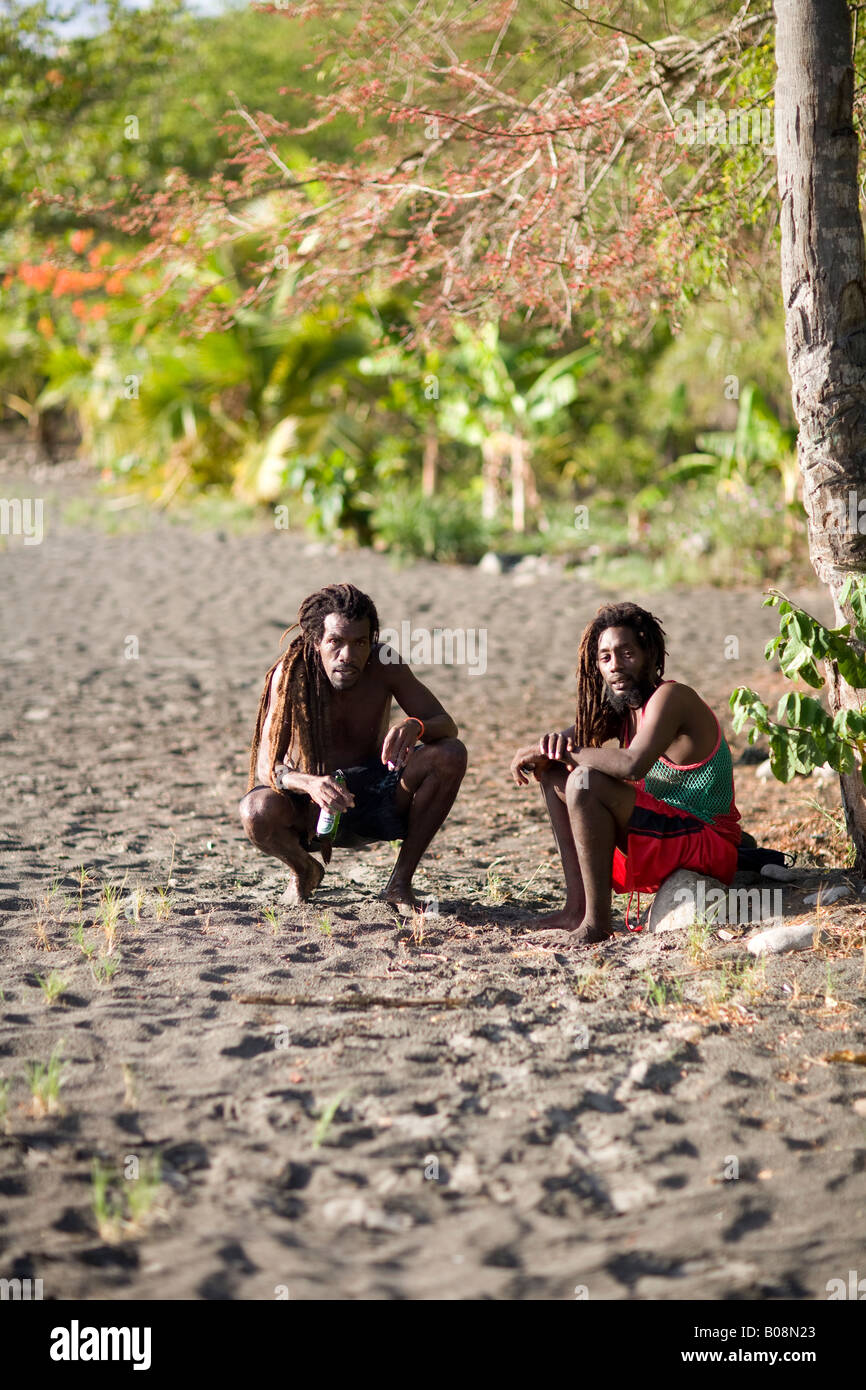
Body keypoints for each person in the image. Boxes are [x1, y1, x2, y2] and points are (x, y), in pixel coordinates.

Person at [510, 601, 741, 945]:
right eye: (605, 658)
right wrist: (543, 751)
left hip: (709, 841)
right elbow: (570, 741)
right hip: (670, 833)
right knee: (558, 774)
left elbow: (633, 764)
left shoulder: (671, 697)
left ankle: (597, 924)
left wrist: (564, 752)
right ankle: (577, 907)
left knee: (584, 783)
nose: (615, 666)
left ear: (649, 653)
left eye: (626, 653)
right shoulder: (622, 709)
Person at [240, 582, 467, 913]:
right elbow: (266, 768)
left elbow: (446, 724)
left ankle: (399, 884)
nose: (347, 655)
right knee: (256, 810)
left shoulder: (385, 663)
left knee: (450, 754)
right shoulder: (291, 674)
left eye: (359, 642)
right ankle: (304, 870)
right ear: (317, 641)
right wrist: (310, 783)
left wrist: (414, 726)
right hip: (309, 809)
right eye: (335, 642)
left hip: (373, 794)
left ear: (371, 641)